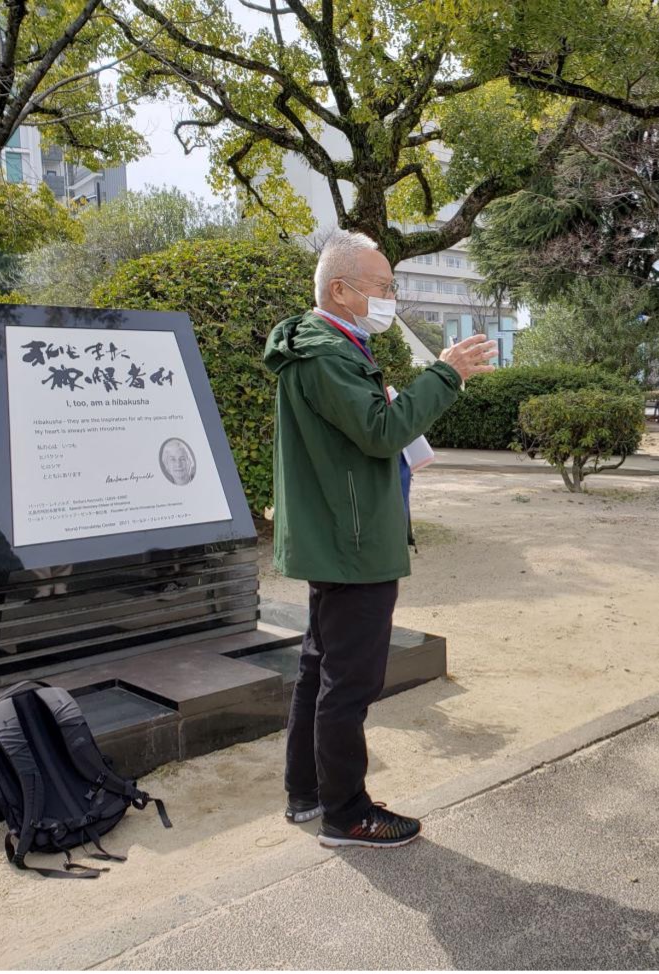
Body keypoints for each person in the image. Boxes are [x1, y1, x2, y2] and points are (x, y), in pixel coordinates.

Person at [264, 230, 496, 849]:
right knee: (350, 681)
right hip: (354, 538)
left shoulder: (327, 347)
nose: (392, 296)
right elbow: (379, 430)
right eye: (383, 287)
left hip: (342, 531)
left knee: (321, 667)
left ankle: (308, 792)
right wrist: (443, 376)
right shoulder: (326, 352)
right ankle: (347, 813)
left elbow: (361, 431)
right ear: (341, 291)